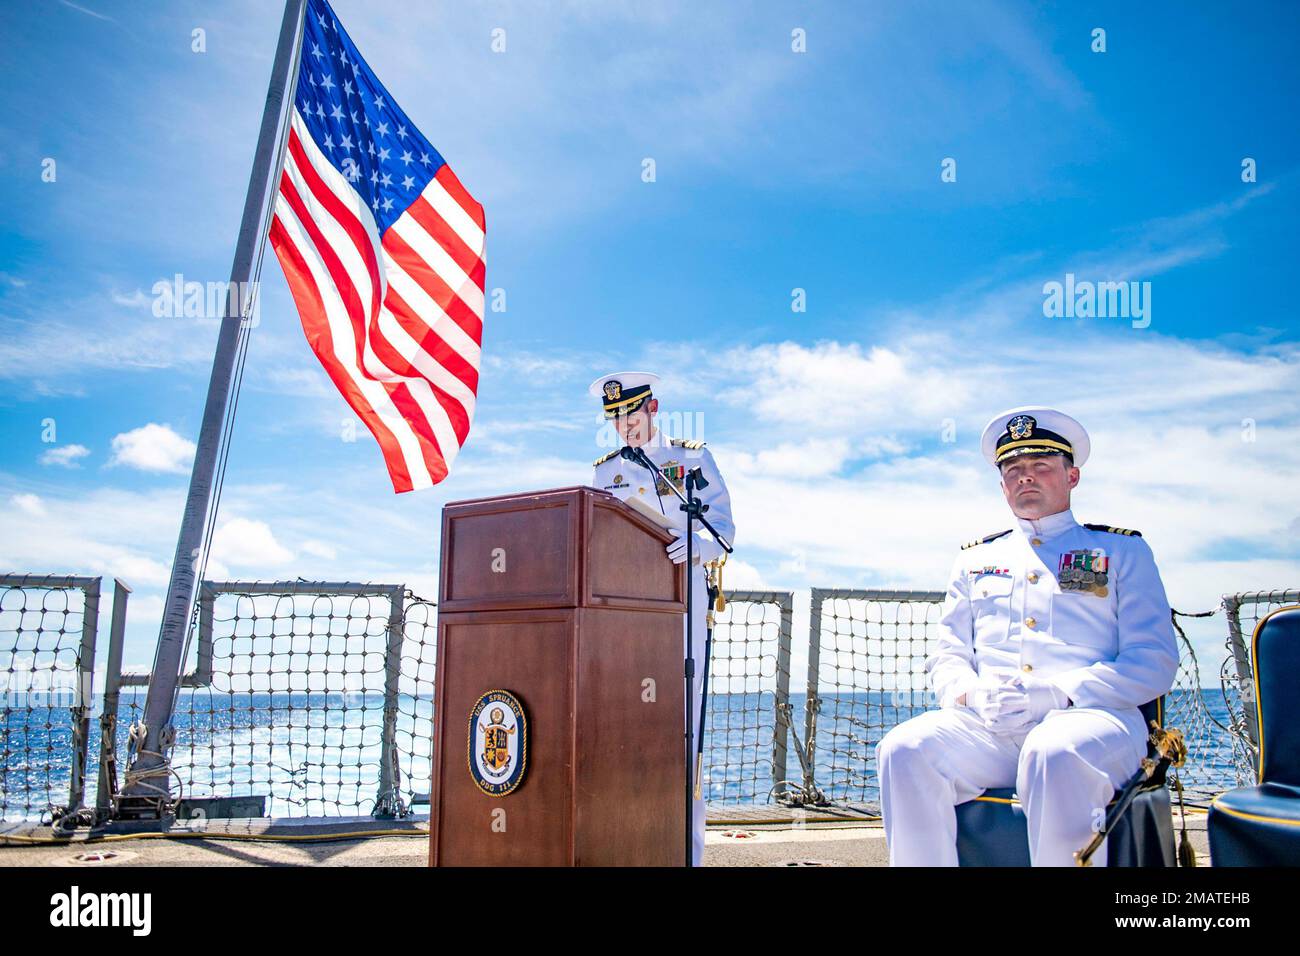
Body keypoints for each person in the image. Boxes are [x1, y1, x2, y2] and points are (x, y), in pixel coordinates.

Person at [874, 406, 1179, 866]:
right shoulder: (974, 560)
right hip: (995, 727)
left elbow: (1153, 660)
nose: (1025, 477)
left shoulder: (1120, 550)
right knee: (904, 749)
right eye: (1013, 469)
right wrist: (971, 696)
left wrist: (1057, 694)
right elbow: (948, 656)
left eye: (1040, 466)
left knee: (1053, 750)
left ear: (1072, 476)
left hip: (1096, 720)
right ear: (1002, 485)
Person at [588, 371, 735, 866]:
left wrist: (697, 544)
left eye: (630, 415)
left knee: (682, 727)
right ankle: (627, 842)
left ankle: (685, 854)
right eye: (614, 419)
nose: (623, 427)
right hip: (624, 604)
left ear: (653, 409)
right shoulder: (604, 470)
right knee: (625, 720)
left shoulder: (692, 458)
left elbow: (724, 526)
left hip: (683, 596)